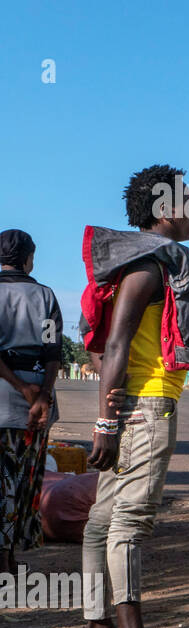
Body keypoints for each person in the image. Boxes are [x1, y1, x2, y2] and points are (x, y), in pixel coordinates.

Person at [82, 165, 189, 628]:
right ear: (164, 210)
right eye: (188, 201)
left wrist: (109, 413)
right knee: (130, 520)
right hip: (146, 405)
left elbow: (101, 343)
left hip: (130, 404)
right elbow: (114, 343)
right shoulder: (151, 267)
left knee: (100, 521)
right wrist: (108, 422)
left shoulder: (137, 263)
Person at [0, 229, 61, 576]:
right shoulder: (45, 296)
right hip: (36, 403)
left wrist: (19, 386)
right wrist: (42, 393)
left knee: (2, 481)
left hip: (6, 399)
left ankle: (3, 559)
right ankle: (8, 557)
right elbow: (52, 351)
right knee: (25, 479)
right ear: (28, 258)